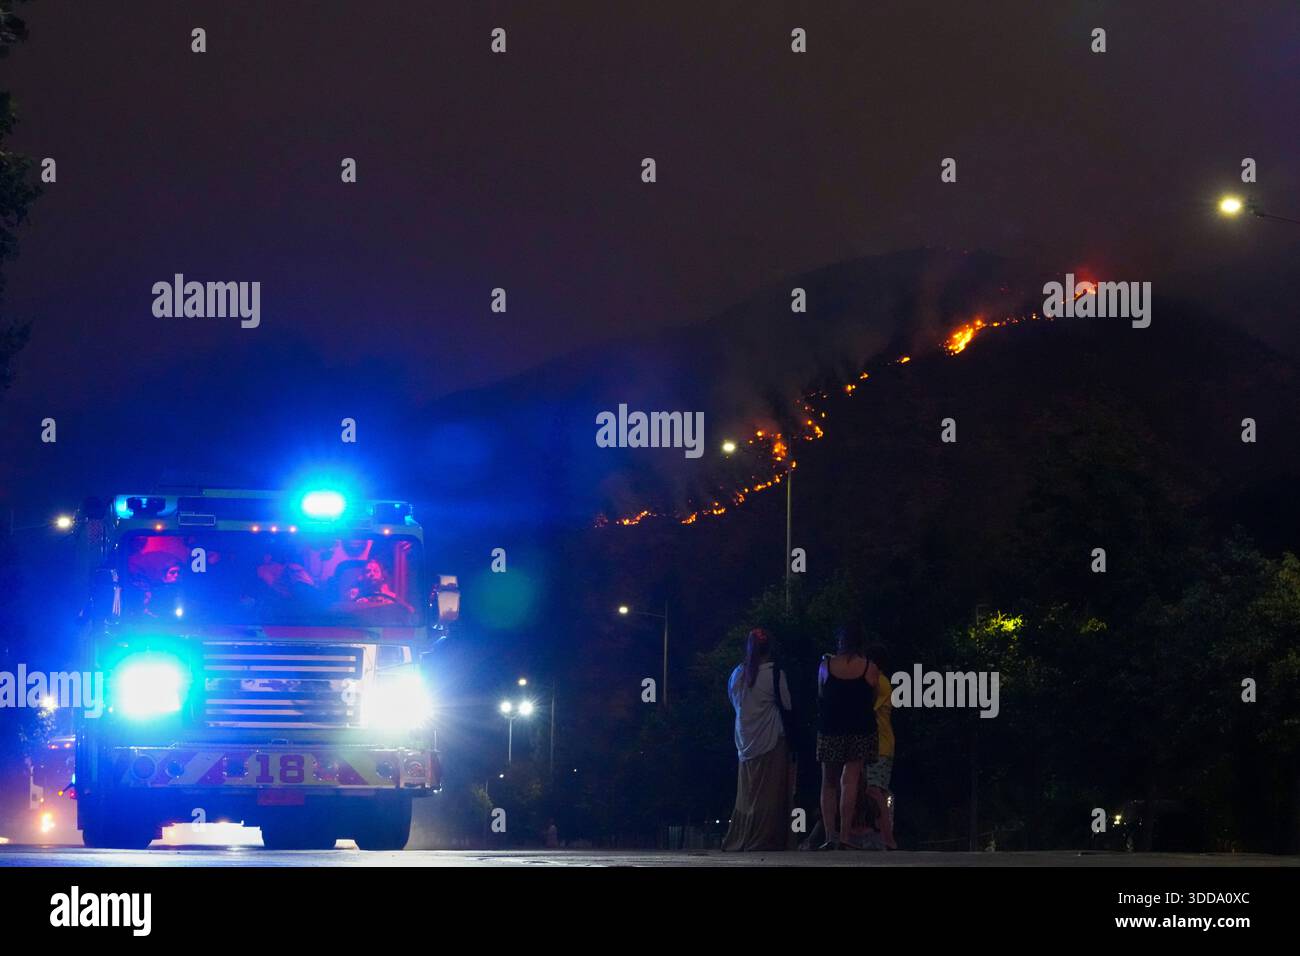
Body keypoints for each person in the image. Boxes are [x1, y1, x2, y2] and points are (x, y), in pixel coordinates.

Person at [721, 627, 794, 851]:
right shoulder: (774, 674)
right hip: (772, 740)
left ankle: (741, 837)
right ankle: (765, 838)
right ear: (769, 649)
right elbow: (787, 705)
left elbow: (736, 705)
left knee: (747, 794)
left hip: (745, 743)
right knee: (770, 794)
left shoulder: (737, 675)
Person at [816, 624, 878, 850]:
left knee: (828, 781)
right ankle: (844, 836)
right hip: (859, 728)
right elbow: (872, 698)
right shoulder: (870, 668)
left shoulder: (825, 666)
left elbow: (821, 695)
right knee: (850, 781)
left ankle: (829, 836)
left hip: (831, 727)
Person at [857, 643, 896, 849]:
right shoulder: (880, 681)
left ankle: (888, 837)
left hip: (881, 744)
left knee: (875, 790)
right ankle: (885, 836)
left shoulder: (880, 682)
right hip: (879, 743)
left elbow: (867, 708)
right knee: (874, 790)